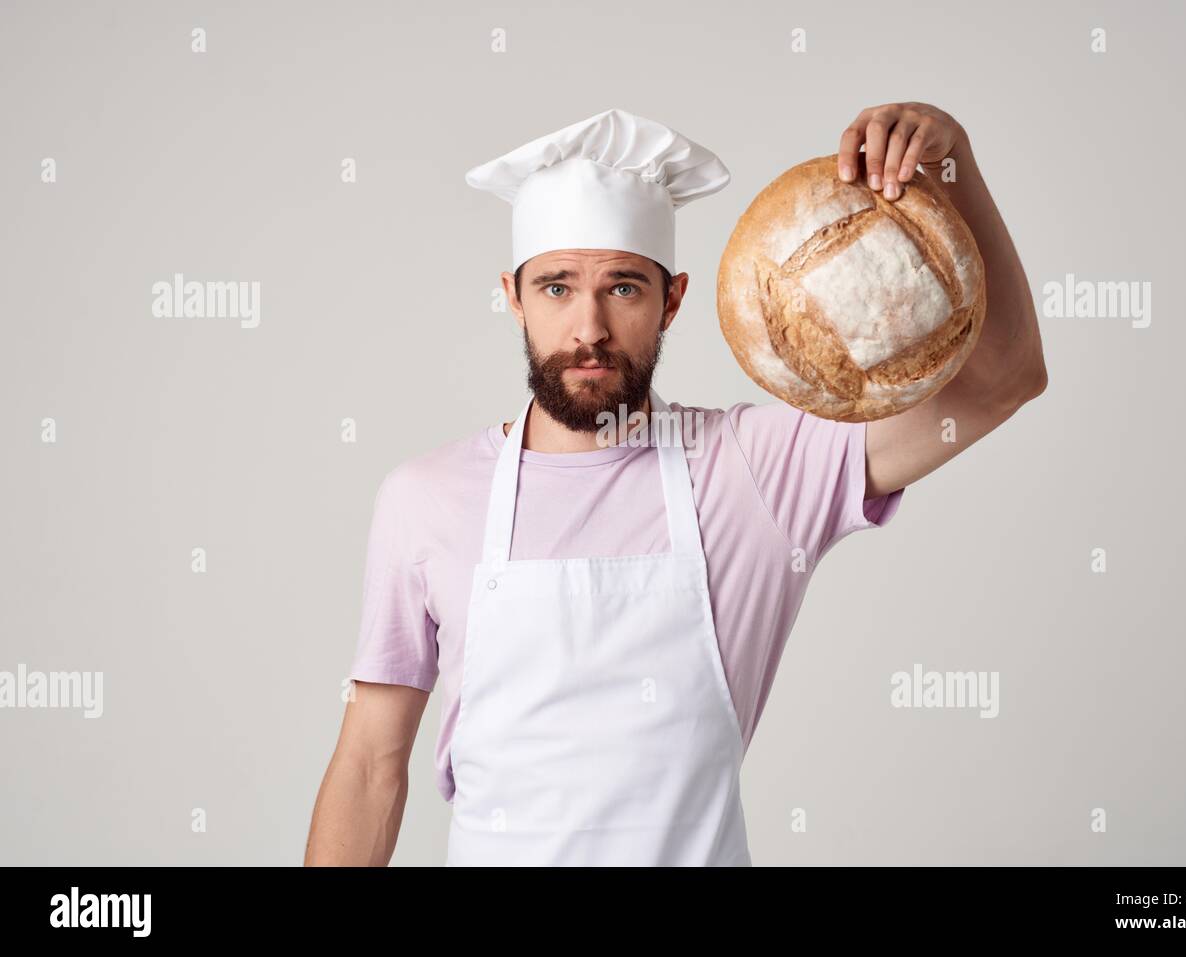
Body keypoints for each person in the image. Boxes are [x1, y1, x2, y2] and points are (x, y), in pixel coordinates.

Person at [305, 104, 1047, 867]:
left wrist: (952, 165)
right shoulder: (424, 498)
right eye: (557, 288)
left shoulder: (756, 468)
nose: (588, 327)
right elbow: (368, 766)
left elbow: (1004, 379)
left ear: (673, 299)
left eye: (623, 288)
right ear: (513, 296)